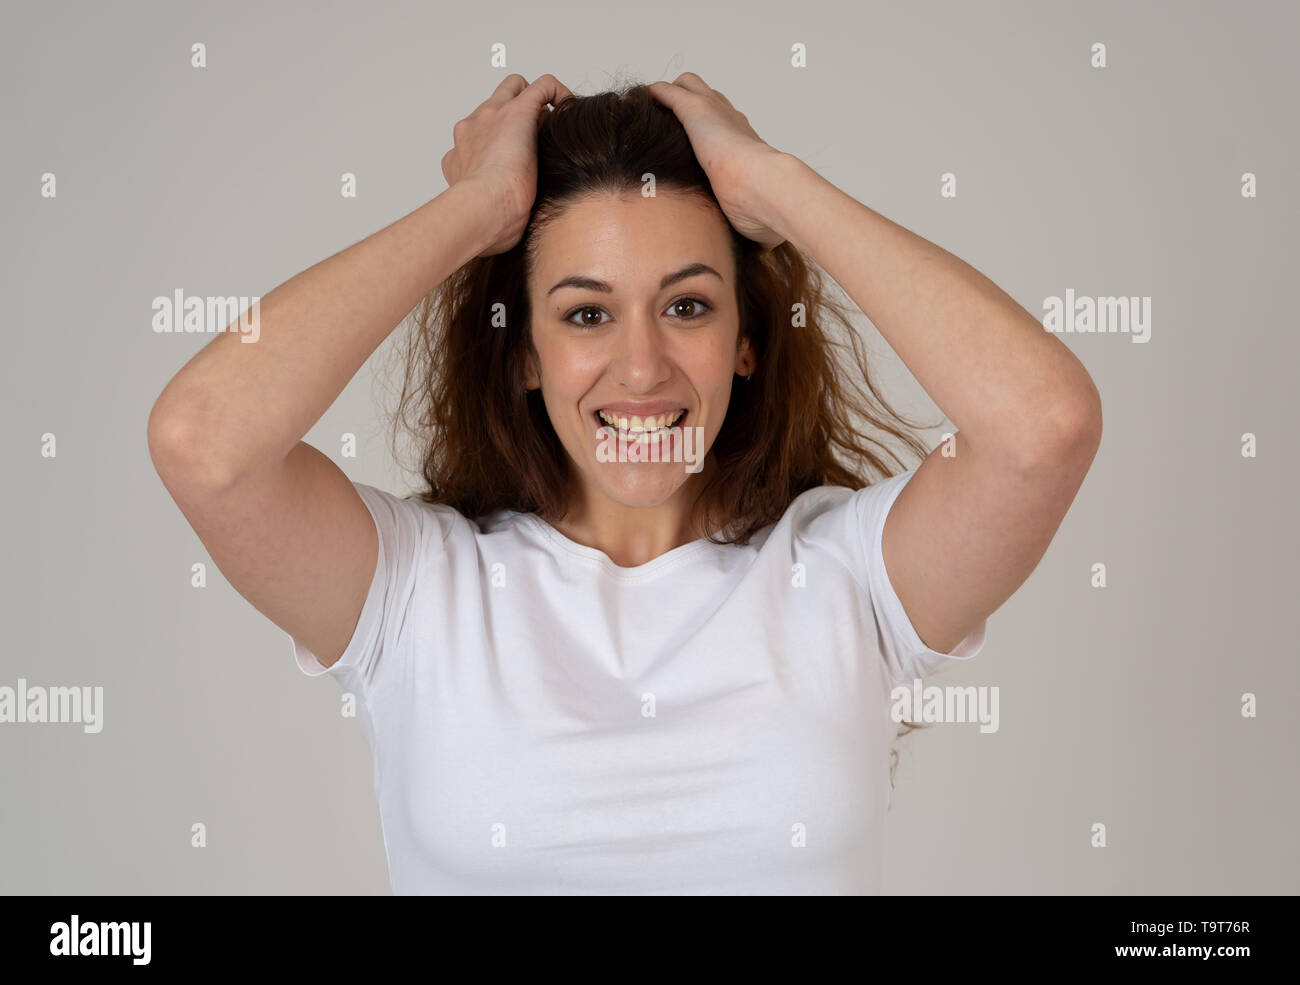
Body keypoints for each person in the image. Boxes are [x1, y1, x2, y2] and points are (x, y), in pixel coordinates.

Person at [147, 72, 1102, 894]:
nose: (641, 369)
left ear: (747, 343)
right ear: (524, 352)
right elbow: (204, 443)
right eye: (586, 313)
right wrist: (476, 211)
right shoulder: (416, 590)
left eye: (687, 305)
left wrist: (776, 185)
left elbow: (1042, 428)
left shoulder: (849, 575)